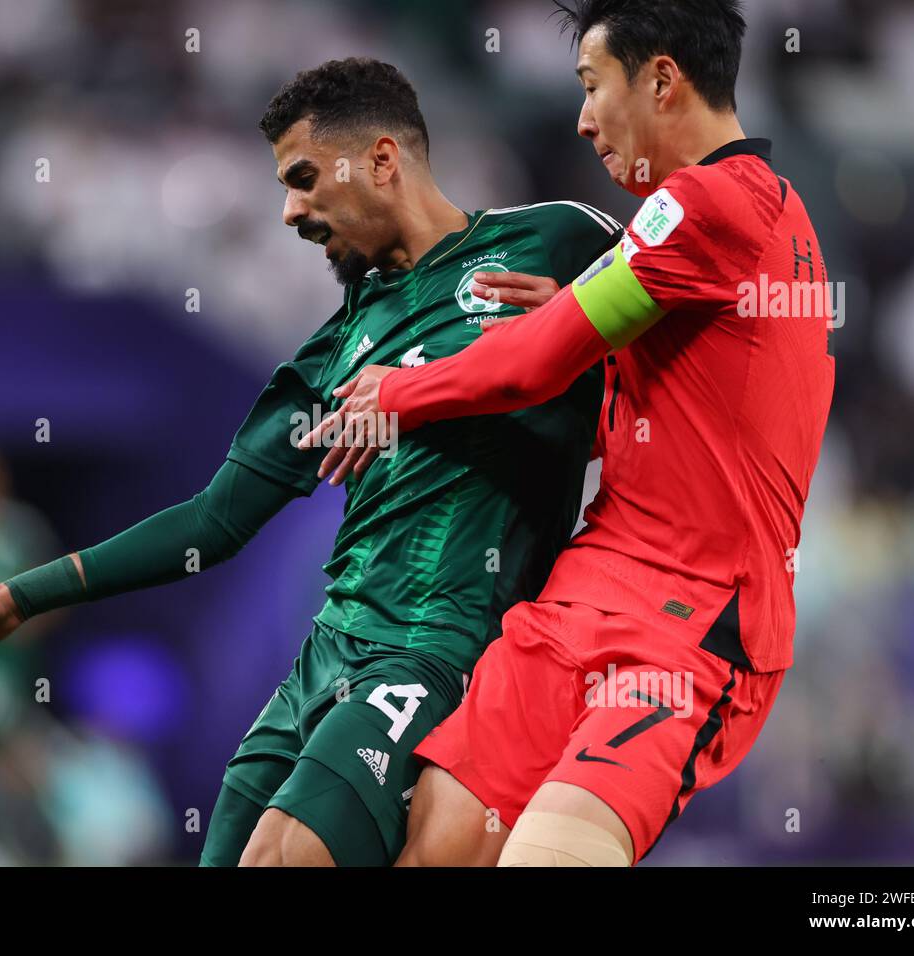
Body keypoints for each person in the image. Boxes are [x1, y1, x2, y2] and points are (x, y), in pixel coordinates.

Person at [0, 57, 622, 866]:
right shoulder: (331, 355)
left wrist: (580, 325)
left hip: (436, 650)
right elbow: (211, 522)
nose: (290, 211)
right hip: (320, 664)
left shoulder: (556, 240)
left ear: (382, 161)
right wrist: (20, 596)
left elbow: (707, 317)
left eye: (305, 178)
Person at [302, 1, 835, 866]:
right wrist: (592, 334)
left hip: (689, 622)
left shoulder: (711, 204)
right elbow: (648, 384)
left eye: (593, 87)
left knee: (545, 857)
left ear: (661, 80)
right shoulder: (740, 223)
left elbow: (534, 365)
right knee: (438, 846)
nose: (583, 119)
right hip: (583, 593)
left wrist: (402, 390)